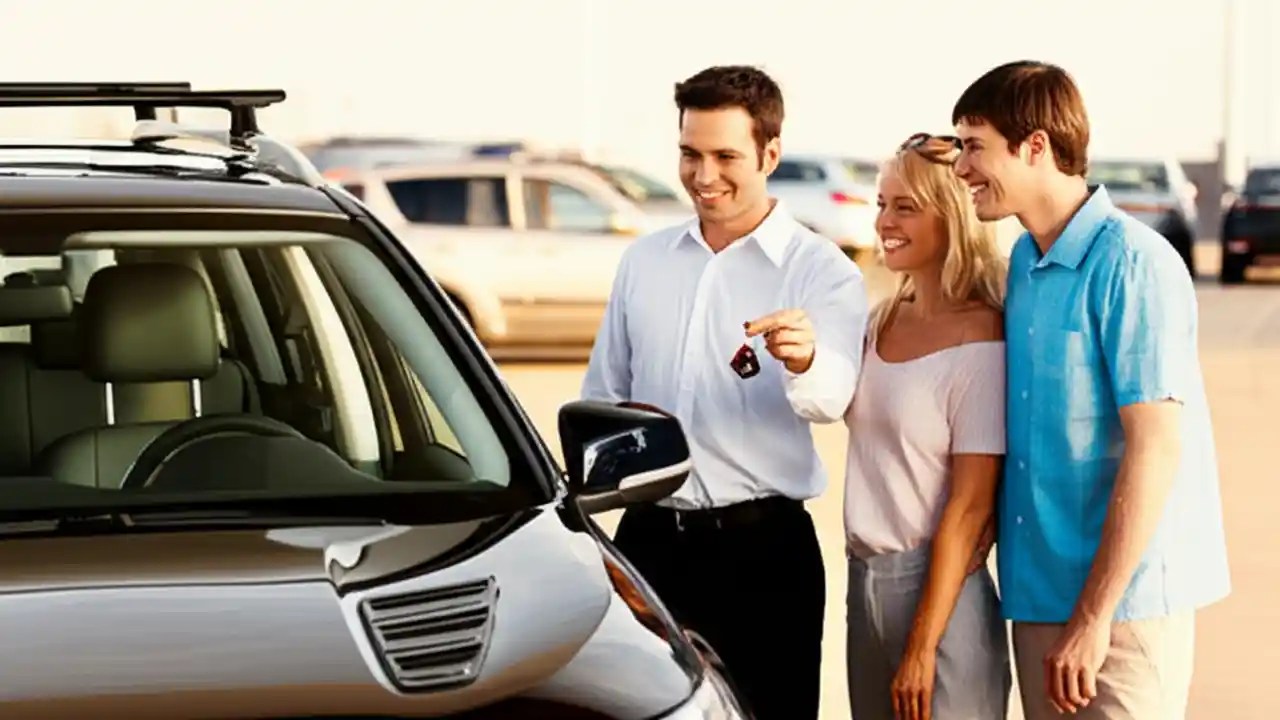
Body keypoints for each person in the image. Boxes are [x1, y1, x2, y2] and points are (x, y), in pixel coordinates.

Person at [580, 64, 868, 720]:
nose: (704, 176)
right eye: (689, 154)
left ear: (770, 154)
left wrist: (806, 357)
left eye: (725, 156)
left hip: (765, 556)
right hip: (649, 546)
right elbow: (603, 397)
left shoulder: (820, 271)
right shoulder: (644, 261)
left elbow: (830, 398)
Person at [951, 60, 1231, 719]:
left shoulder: (1133, 262)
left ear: (1036, 146)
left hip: (1121, 613)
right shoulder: (1024, 260)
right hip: (1039, 597)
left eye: (974, 146)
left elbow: (1156, 448)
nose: (961, 167)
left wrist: (1095, 615)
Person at [841, 133, 1011, 720]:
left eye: (905, 207)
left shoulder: (983, 338)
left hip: (939, 597)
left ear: (953, 216)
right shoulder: (878, 321)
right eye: (881, 204)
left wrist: (921, 648)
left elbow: (969, 510)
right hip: (863, 580)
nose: (884, 221)